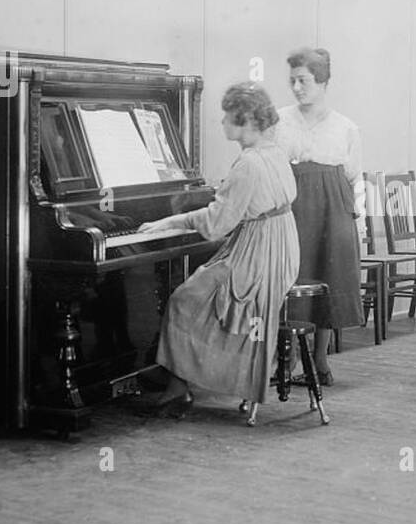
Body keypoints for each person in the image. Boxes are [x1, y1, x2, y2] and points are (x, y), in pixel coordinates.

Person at [139, 83, 300, 412]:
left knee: (184, 300)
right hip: (280, 253)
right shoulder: (275, 154)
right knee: (199, 289)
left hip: (257, 258)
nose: (223, 123)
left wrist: (171, 221)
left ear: (245, 120)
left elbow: (216, 225)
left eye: (228, 117)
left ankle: (176, 385)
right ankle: (176, 372)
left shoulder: (248, 164)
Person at [275, 47, 363, 385]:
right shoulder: (280, 120)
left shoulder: (346, 127)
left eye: (304, 80)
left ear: (323, 82)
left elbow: (353, 174)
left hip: (332, 207)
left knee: (328, 274)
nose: (297, 88)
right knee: (293, 276)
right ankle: (287, 359)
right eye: (293, 81)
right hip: (294, 206)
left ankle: (321, 359)